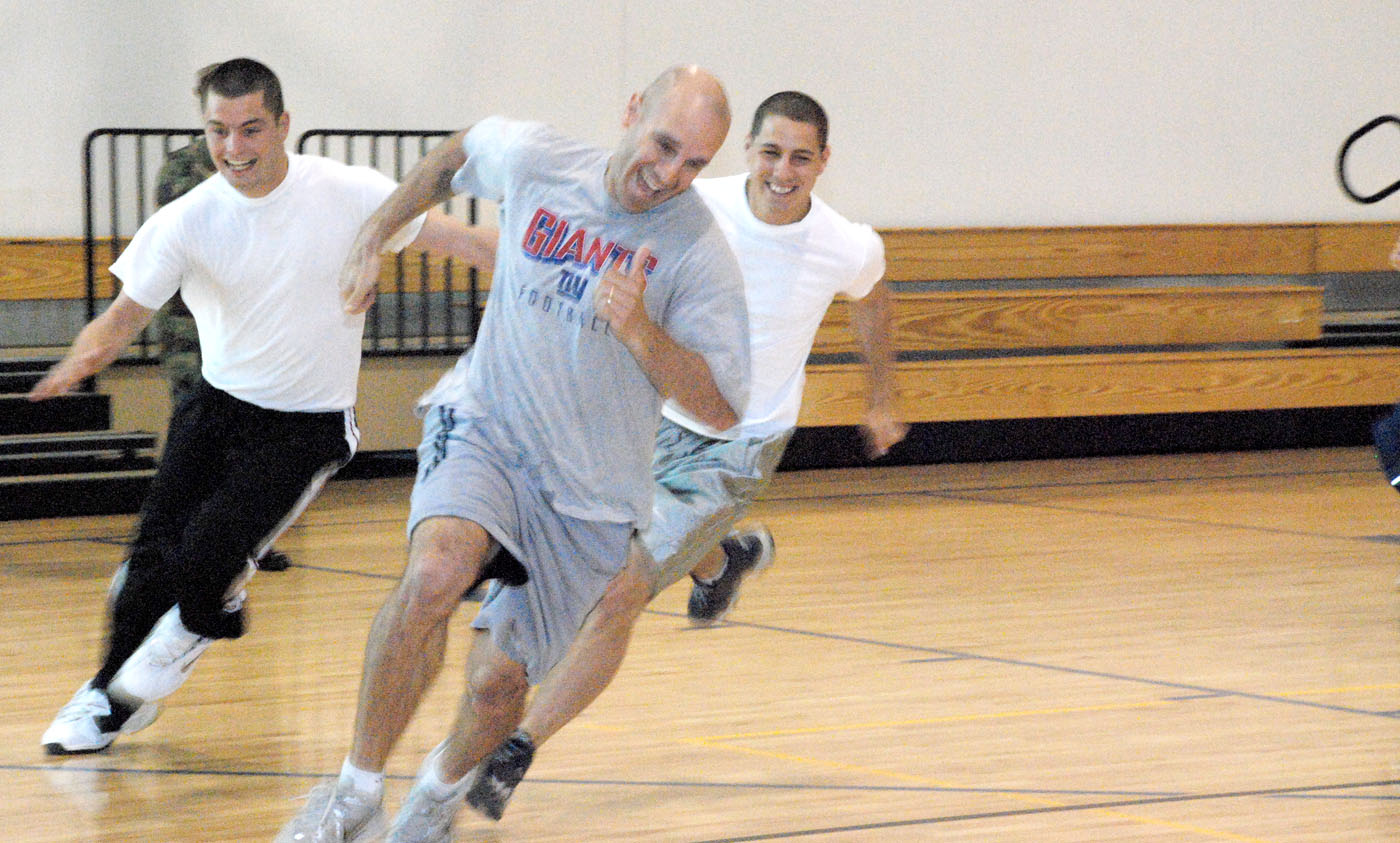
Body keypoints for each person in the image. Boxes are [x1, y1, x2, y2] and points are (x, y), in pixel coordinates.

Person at [275, 65, 750, 843]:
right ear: (631, 110)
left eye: (694, 163)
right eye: (663, 144)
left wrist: (642, 332)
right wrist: (373, 234)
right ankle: (352, 795)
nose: (669, 174)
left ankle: (438, 791)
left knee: (499, 685)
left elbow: (722, 405)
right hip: (491, 423)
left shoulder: (697, 252)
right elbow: (452, 157)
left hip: (590, 495)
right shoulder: (538, 158)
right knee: (435, 569)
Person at [455, 90, 908, 823]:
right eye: (769, 152)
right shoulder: (699, 212)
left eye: (801, 157)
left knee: (619, 588)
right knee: (608, 547)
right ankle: (719, 561)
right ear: (748, 151)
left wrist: (881, 395)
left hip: (736, 445)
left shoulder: (845, 243)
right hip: (642, 413)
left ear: (824, 161)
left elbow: (874, 301)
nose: (782, 170)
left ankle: (520, 748)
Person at [33, 58, 495, 756]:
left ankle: (204, 609)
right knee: (144, 565)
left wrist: (554, 259)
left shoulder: (348, 192)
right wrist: (81, 356)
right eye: (219, 131)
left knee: (206, 556)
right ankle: (105, 694)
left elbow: (457, 241)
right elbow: (125, 313)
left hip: (305, 427)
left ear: (283, 125)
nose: (234, 149)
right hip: (215, 409)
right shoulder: (188, 218)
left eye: (251, 129)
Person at [152, 136, 292, 572]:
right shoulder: (183, 168)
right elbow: (190, 228)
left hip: (245, 316)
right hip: (188, 320)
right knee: (198, 427)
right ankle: (187, 535)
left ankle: (246, 538)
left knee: (248, 430)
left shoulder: (270, 165)